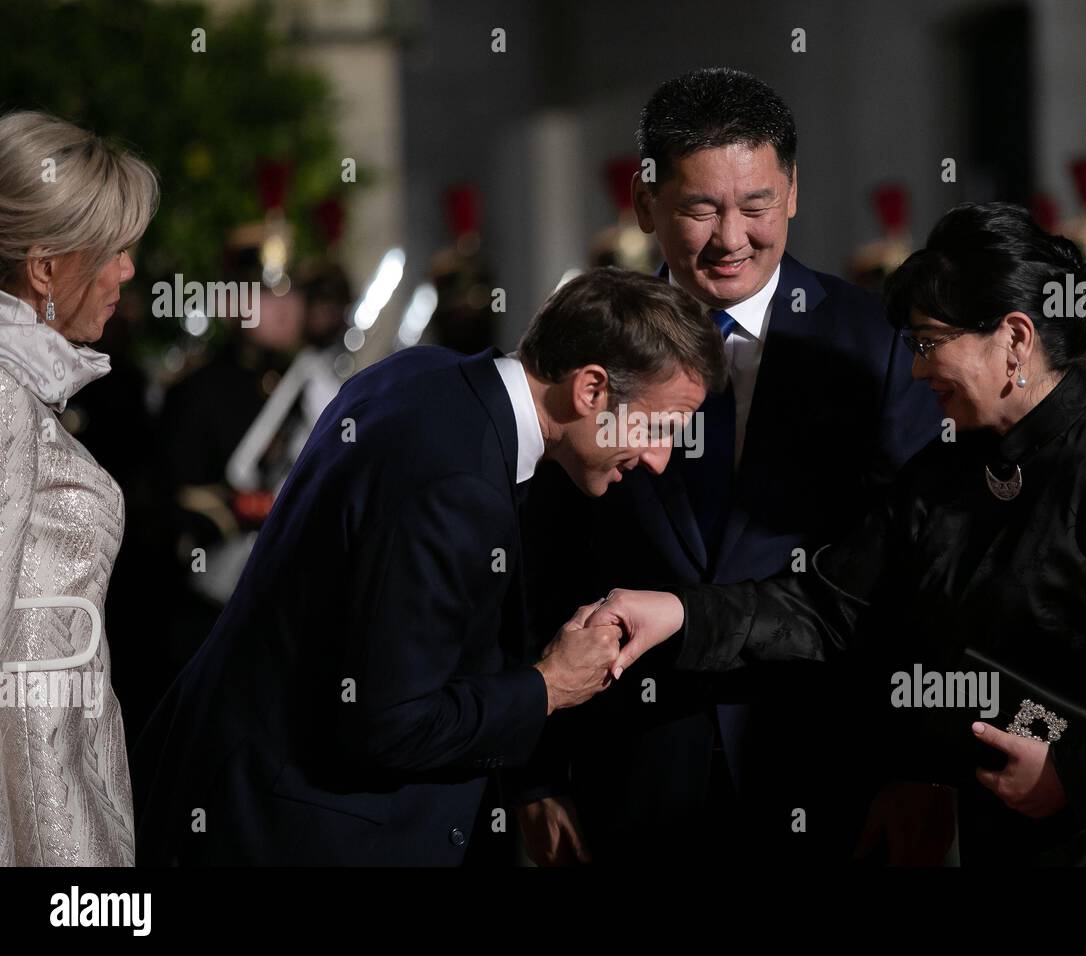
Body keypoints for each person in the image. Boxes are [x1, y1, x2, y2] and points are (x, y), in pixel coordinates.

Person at [586, 203, 1086, 866]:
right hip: (1014, 832)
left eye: (930, 343)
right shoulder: (943, 475)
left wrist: (1080, 770)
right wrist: (678, 612)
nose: (914, 369)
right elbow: (825, 607)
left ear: (1016, 340)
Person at [130, 266, 726, 865]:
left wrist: (529, 781)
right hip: (295, 835)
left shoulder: (426, 374)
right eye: (656, 427)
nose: (659, 459)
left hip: (233, 788)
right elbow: (387, 724)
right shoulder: (456, 485)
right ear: (591, 390)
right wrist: (549, 686)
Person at [516, 68, 944, 865]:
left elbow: (919, 575)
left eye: (754, 206)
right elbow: (538, 564)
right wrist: (535, 776)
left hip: (826, 766)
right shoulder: (583, 349)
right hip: (629, 769)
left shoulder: (873, 345)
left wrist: (921, 766)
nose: (731, 238)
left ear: (790, 195)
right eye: (701, 208)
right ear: (647, 205)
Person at [0, 110, 158, 865]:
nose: (128, 270)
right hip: (40, 813)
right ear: (44, 269)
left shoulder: (25, 390)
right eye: (113, 250)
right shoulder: (3, 398)